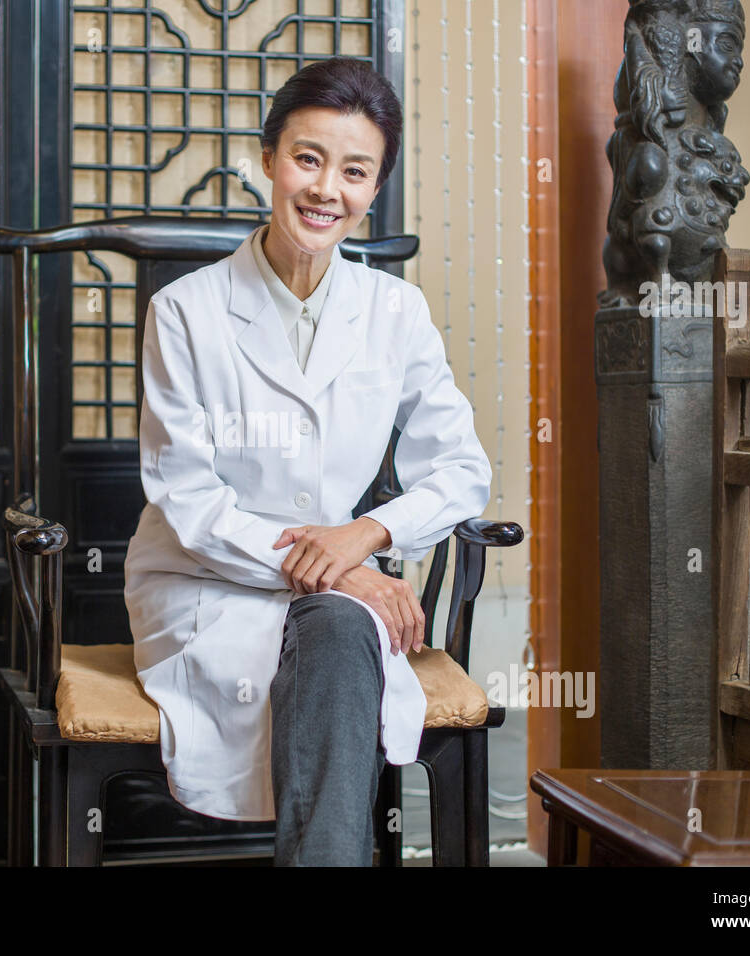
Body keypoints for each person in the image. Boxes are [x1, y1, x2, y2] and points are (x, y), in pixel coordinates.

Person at [123, 56, 492, 866]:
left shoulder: (396, 310)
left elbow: (461, 470)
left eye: (355, 171)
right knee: (340, 625)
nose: (328, 189)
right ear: (269, 160)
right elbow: (187, 501)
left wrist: (362, 539)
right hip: (206, 587)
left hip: (336, 597)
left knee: (334, 633)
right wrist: (337, 567)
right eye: (308, 159)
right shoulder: (184, 312)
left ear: (374, 186)